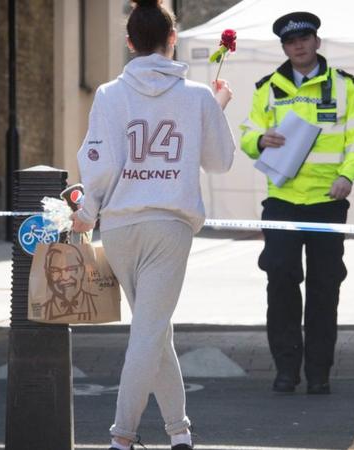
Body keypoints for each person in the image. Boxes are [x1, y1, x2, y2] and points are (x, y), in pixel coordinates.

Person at [70, 0, 235, 448]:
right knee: (148, 334)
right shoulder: (197, 96)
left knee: (155, 332)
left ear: (129, 43)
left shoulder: (108, 94)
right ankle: (121, 438)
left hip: (119, 228)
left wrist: (87, 213)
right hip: (169, 225)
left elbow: (99, 164)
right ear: (172, 39)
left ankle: (179, 432)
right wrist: (217, 107)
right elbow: (220, 161)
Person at [240, 11, 354, 395]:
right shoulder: (268, 87)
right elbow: (247, 133)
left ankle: (319, 373)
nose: (298, 46)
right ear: (284, 48)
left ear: (317, 42)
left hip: (328, 201)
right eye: (290, 42)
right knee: (280, 280)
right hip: (282, 200)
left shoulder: (346, 87)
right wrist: (259, 140)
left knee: (324, 287)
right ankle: (286, 369)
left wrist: (348, 175)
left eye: (304, 39)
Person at [42, 244, 98, 321]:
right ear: (47, 274)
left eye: (71, 268)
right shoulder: (42, 310)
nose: (65, 277)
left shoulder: (98, 303)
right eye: (55, 270)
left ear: (82, 271)